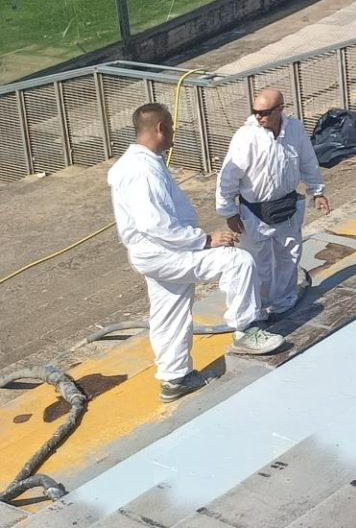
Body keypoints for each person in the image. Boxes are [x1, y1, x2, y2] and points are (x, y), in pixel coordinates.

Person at [108, 103, 286, 403]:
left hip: (157, 254)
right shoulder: (142, 171)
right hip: (166, 252)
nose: (174, 132)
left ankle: (175, 377)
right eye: (171, 126)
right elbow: (156, 224)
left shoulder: (139, 163)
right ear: (160, 129)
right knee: (238, 261)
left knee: (170, 310)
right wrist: (205, 240)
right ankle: (246, 329)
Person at [215, 89, 329, 319]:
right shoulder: (246, 137)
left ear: (279, 110)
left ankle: (283, 302)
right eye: (255, 112)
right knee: (259, 264)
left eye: (265, 113)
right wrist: (229, 211)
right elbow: (228, 177)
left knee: (289, 256)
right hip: (255, 212)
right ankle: (255, 308)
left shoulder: (294, 130)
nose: (259, 117)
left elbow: (308, 161)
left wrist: (317, 192)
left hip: (286, 207)